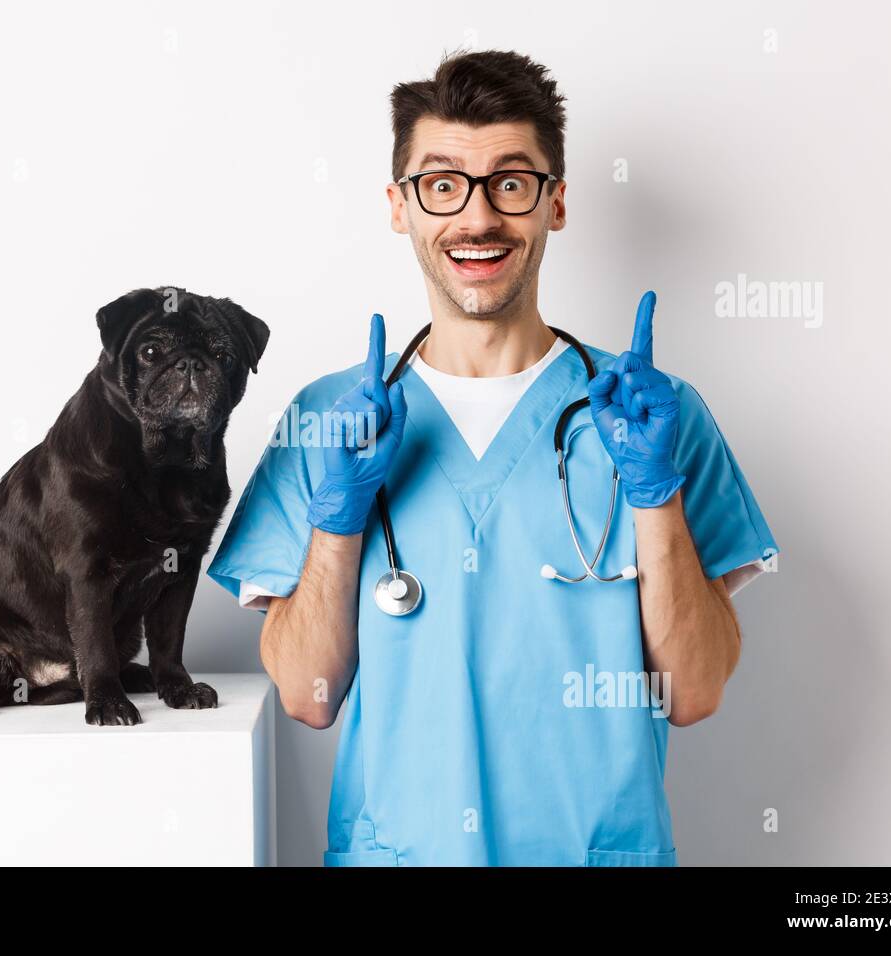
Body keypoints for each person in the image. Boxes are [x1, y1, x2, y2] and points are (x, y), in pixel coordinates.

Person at [207, 49, 779, 866]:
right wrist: (337, 523)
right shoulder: (330, 421)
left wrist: (655, 492)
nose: (477, 219)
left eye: (510, 183)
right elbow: (307, 696)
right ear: (400, 207)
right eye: (442, 185)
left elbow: (693, 694)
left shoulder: (654, 412)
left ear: (556, 203)